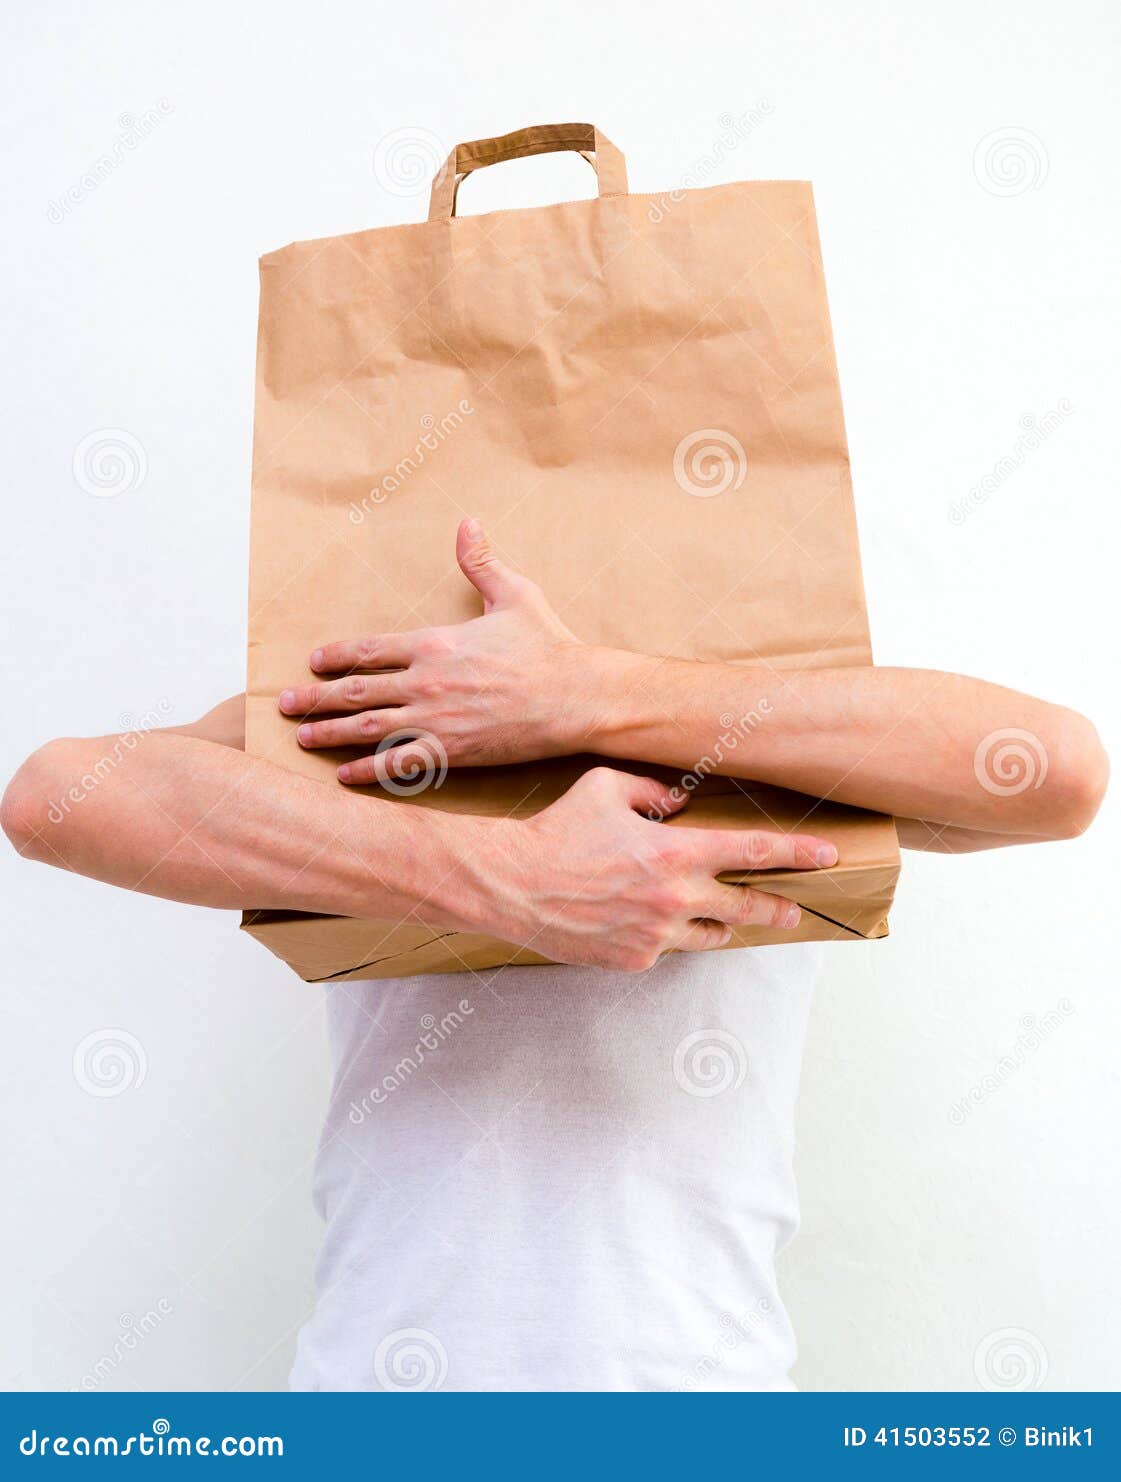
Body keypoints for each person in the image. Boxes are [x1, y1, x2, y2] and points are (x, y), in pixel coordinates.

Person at [1, 519, 1107, 1392]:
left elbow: (1055, 772)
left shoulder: (770, 701)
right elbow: (56, 796)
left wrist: (591, 691)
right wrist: (505, 879)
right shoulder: (400, 685)